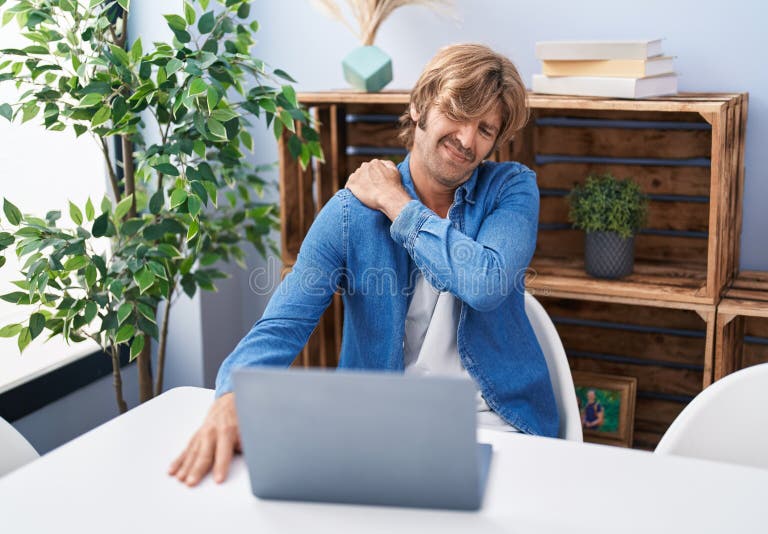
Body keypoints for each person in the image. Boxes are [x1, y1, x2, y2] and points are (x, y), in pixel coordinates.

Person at [169, 43, 559, 487]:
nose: (468, 140)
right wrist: (233, 394)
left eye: (485, 129)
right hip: (384, 429)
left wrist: (397, 203)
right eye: (458, 113)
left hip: (502, 426)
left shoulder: (511, 190)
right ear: (418, 106)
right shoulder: (350, 214)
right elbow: (283, 323)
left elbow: (485, 283)